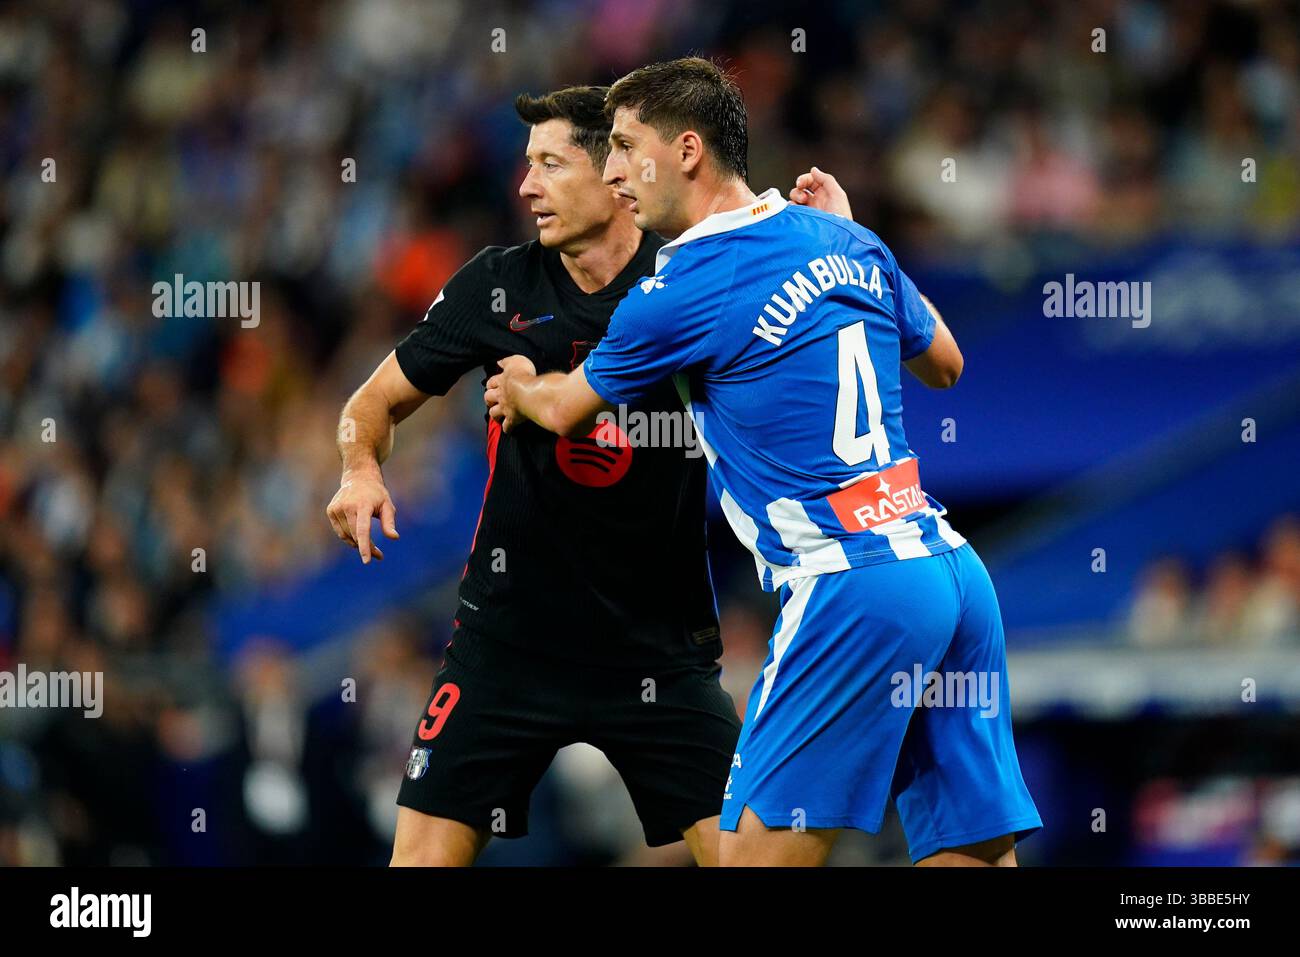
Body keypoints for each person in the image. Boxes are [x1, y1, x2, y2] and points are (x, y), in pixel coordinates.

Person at [485, 58, 1042, 867]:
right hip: (951, 571)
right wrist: (860, 240)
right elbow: (947, 364)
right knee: (974, 855)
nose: (611, 172)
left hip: (848, 581)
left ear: (685, 151)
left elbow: (571, 410)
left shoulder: (684, 283)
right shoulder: (845, 235)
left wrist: (525, 384)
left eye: (626, 148)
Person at [328, 86, 745, 866]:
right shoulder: (499, 284)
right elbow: (372, 401)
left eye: (551, 164)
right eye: (526, 166)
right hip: (507, 641)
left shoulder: (686, 281)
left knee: (752, 859)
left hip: (655, 646)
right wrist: (359, 468)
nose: (526, 186)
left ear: (617, 174)